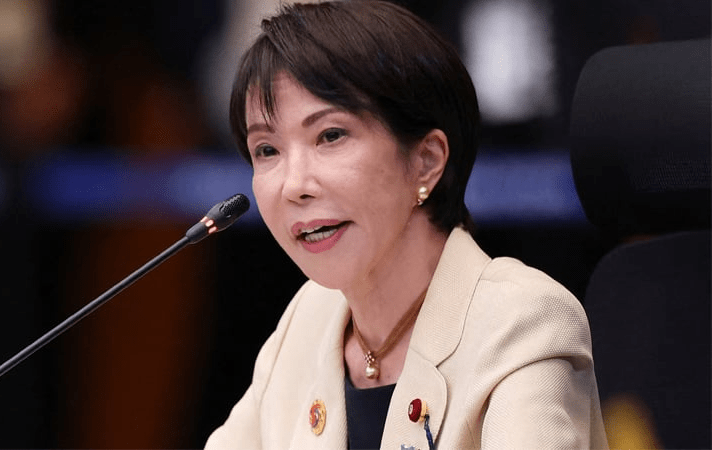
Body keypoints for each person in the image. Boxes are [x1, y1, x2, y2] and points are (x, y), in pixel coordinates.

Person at [206, 1, 609, 448]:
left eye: (330, 135)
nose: (294, 185)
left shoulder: (522, 324)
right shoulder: (309, 320)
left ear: (426, 161)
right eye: (266, 150)